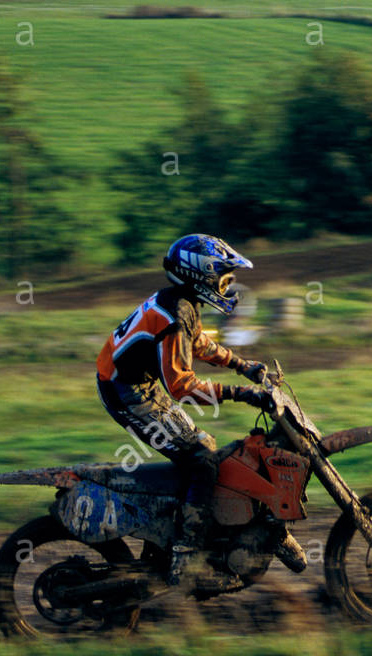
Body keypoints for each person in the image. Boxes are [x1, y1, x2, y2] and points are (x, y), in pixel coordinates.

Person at [95, 234, 271, 586]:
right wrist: (240, 393)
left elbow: (201, 344)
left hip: (138, 385)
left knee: (204, 447)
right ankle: (185, 557)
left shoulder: (183, 304)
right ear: (200, 275)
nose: (228, 285)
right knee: (201, 461)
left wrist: (242, 364)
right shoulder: (175, 314)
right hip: (125, 391)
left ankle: (176, 534)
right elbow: (182, 388)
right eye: (223, 277)